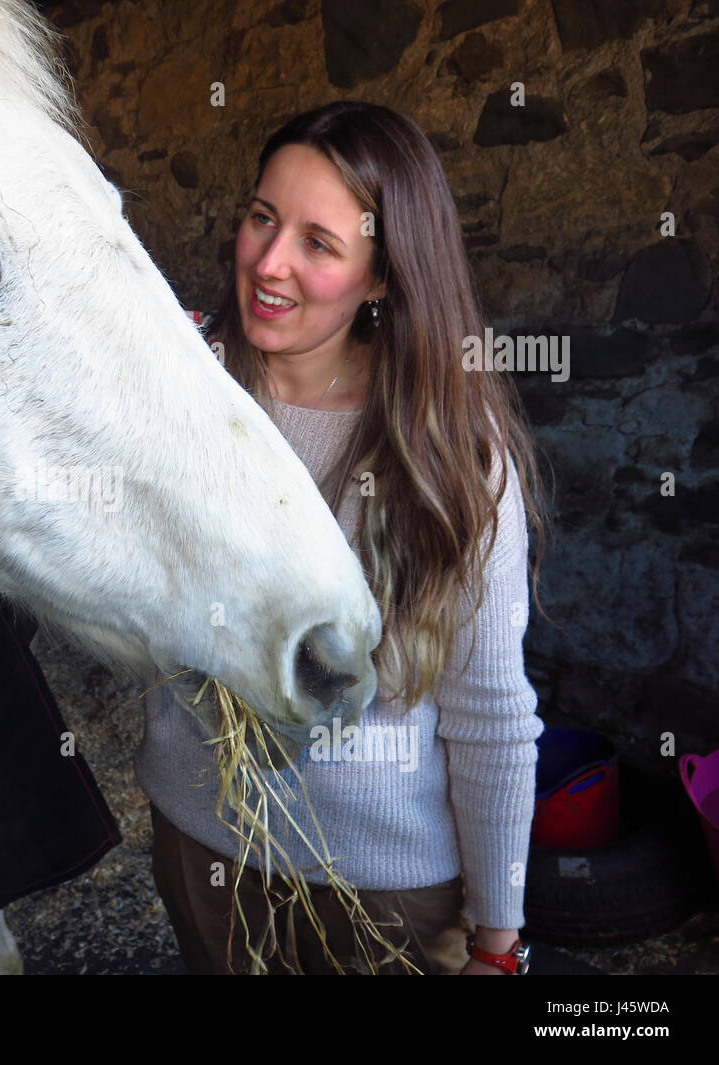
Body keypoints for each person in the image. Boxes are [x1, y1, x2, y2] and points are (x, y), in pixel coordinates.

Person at [136, 100, 547, 975]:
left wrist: (499, 938)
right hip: (200, 843)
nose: (269, 262)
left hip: (378, 891)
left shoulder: (454, 456)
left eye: (318, 243)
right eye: (261, 218)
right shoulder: (180, 391)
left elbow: (491, 714)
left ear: (383, 278)